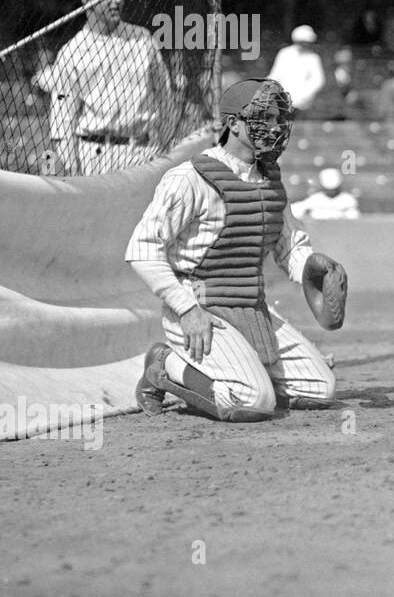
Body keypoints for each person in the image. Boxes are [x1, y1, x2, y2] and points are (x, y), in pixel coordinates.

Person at [126, 78, 341, 422]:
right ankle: (163, 365)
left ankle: (244, 367)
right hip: (200, 310)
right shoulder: (190, 178)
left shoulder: (270, 179)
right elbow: (142, 249)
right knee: (251, 401)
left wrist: (309, 269)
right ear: (233, 124)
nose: (274, 126)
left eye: (277, 117)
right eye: (263, 118)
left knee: (320, 390)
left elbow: (290, 246)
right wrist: (185, 310)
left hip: (251, 307)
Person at [46, 0, 176, 176]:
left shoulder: (142, 38)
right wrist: (71, 167)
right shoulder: (71, 52)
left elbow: (165, 97)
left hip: (144, 151)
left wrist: (166, 148)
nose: (117, 0)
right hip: (94, 156)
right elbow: (62, 120)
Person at [267, 25, 326, 113]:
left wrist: (303, 97)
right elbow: (275, 75)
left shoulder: (313, 58)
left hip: (304, 104)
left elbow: (318, 81)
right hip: (283, 101)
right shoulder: (285, 53)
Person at [292, 167, 360, 220]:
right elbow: (296, 210)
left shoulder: (348, 199)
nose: (331, 191)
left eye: (334, 189)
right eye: (328, 189)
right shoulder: (316, 199)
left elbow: (354, 216)